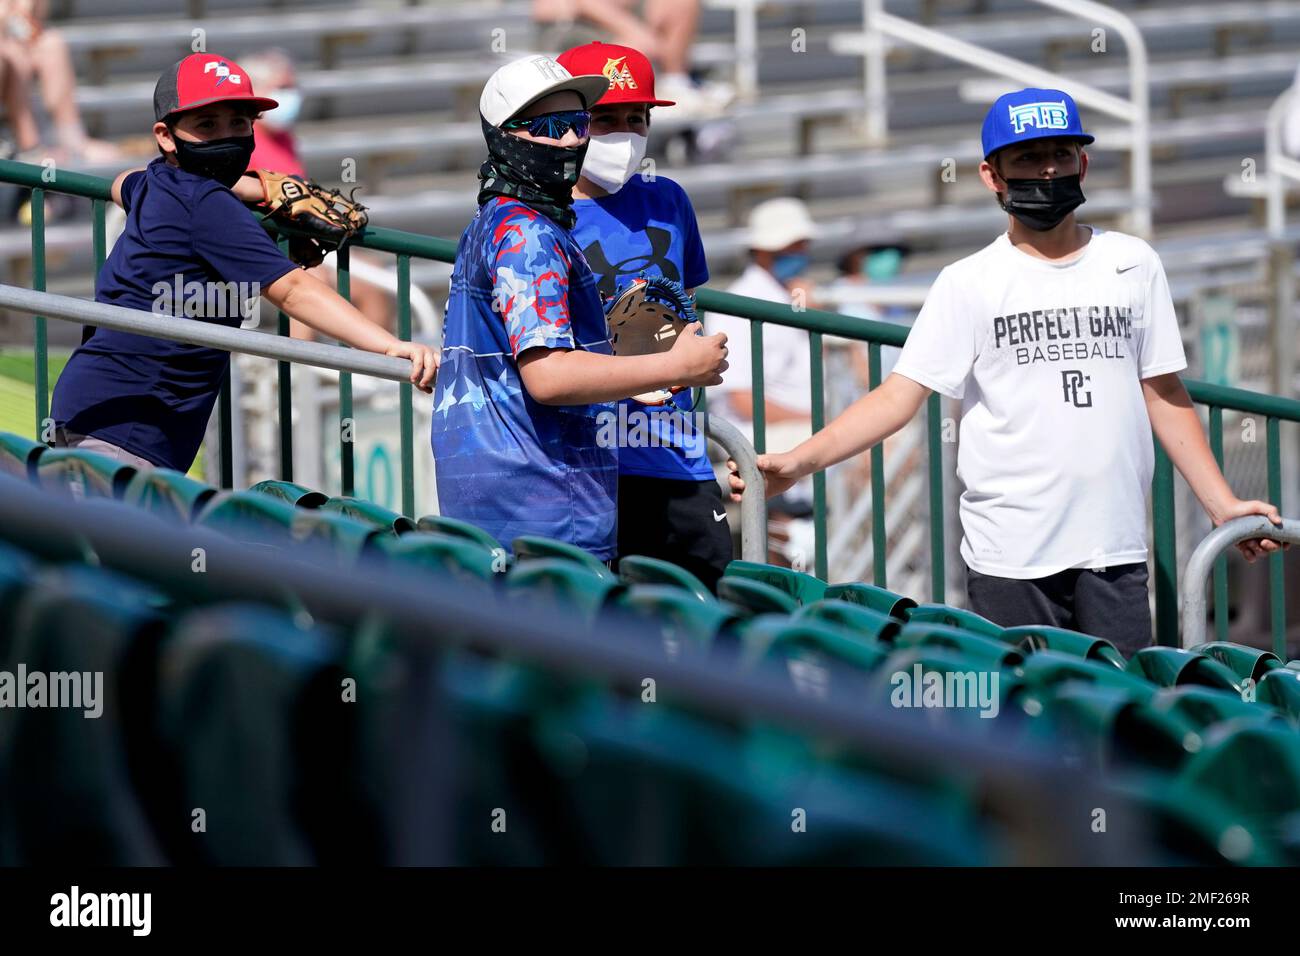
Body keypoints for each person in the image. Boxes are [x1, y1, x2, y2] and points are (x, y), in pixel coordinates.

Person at [730, 88, 1286, 655]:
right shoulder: (968, 282)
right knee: (1025, 724)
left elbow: (1163, 391)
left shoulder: (1134, 263)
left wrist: (1222, 504)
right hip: (1010, 557)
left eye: (1061, 155)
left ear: (1083, 163)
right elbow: (899, 396)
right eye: (1025, 158)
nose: (1047, 170)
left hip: (1113, 549)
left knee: (1114, 723)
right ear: (991, 175)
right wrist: (799, 463)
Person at [49, 53, 435, 473]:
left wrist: (250, 188)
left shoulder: (159, 180)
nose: (227, 136)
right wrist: (389, 345)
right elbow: (292, 289)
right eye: (207, 125)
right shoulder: (209, 204)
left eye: (239, 123)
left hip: (93, 405)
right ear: (165, 135)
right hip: (130, 425)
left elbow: (122, 182)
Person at [430, 54, 727, 562]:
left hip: (528, 487)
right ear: (504, 135)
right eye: (550, 126)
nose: (571, 140)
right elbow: (550, 377)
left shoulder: (494, 218)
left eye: (576, 124)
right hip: (547, 493)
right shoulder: (528, 232)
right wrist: (675, 366)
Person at [557, 40, 731, 591]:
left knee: (704, 611)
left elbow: (684, 305)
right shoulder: (539, 217)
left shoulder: (669, 198)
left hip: (674, 451)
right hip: (582, 457)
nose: (626, 135)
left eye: (638, 118)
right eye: (606, 119)